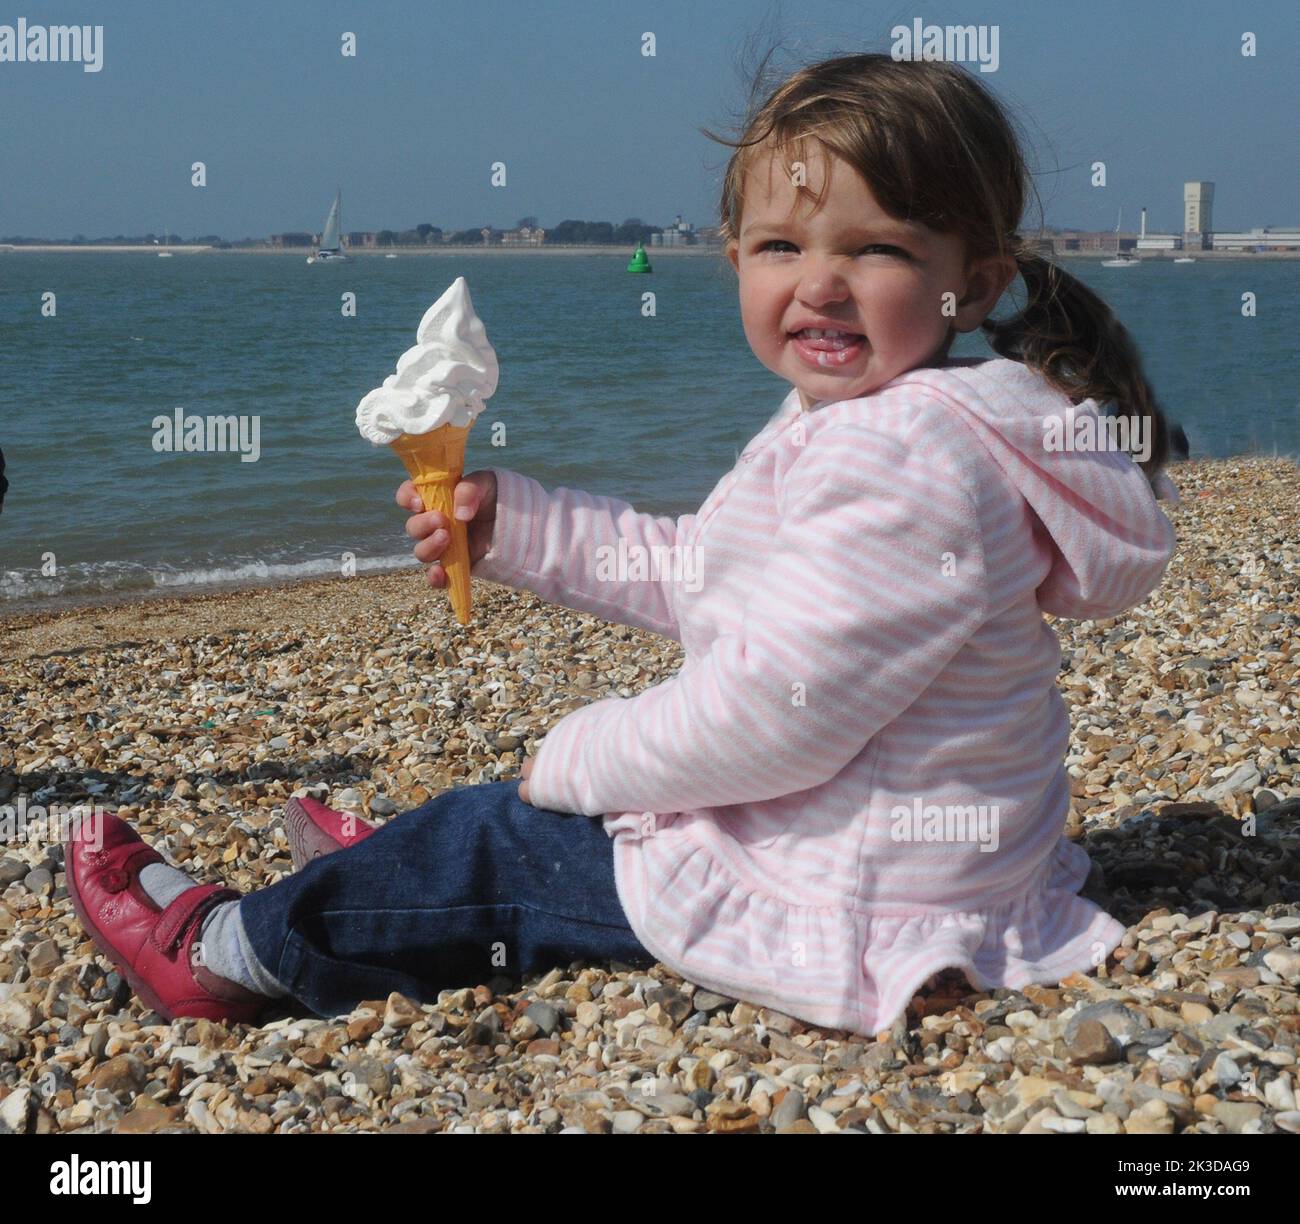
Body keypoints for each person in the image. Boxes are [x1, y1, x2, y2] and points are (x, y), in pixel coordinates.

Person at [67, 50, 1179, 1035]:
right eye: (782, 243)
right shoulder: (889, 416)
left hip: (852, 880)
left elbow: (771, 718)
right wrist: (518, 525)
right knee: (500, 834)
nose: (819, 284)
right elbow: (705, 573)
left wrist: (577, 765)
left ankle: (222, 949)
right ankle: (388, 879)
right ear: (734, 253)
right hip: (918, 850)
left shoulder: (902, 460)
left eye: (877, 248)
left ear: (972, 279)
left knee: (492, 837)